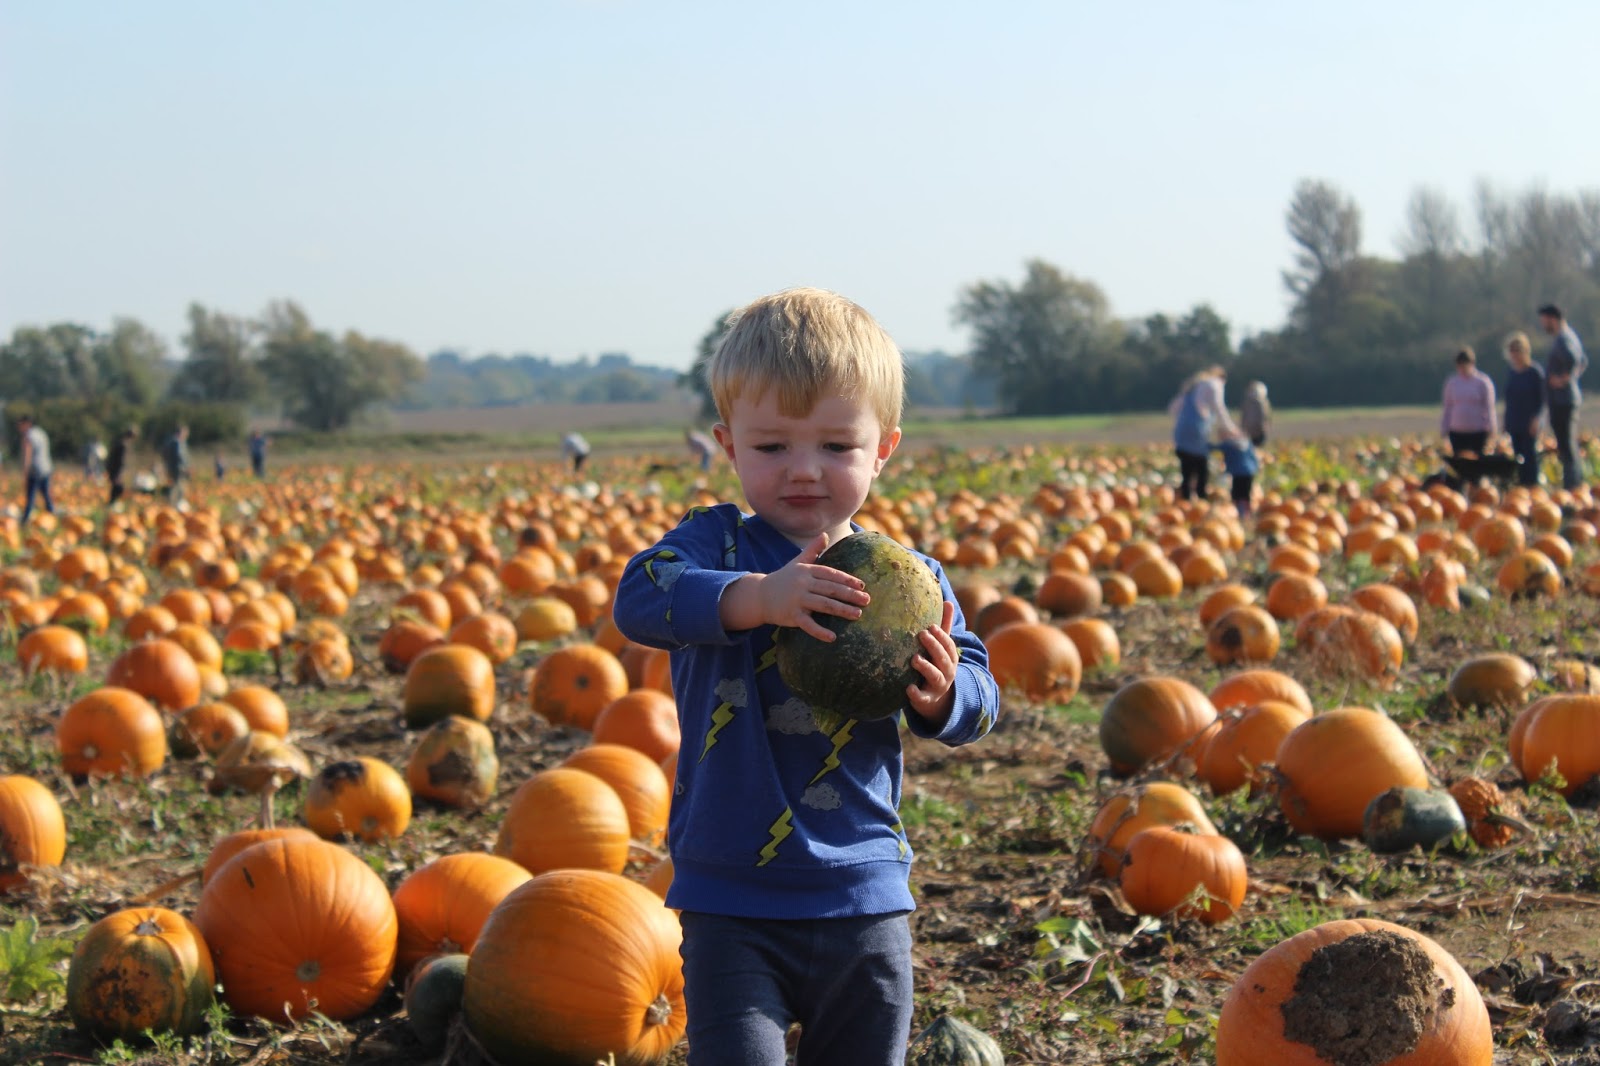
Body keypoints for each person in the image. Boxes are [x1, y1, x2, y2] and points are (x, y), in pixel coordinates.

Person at [612, 287, 999, 1066]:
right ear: (727, 444)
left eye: (834, 446)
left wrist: (946, 693)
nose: (803, 473)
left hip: (864, 894)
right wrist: (758, 599)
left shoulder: (907, 577)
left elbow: (982, 684)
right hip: (730, 900)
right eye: (772, 448)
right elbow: (638, 598)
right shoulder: (714, 548)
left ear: (883, 448)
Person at [1168, 365, 1241, 501]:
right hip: (1197, 431)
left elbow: (1172, 409)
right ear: (1222, 378)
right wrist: (1231, 429)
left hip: (1181, 432)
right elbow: (1219, 408)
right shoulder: (1215, 384)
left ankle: (1186, 499)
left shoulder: (1190, 389)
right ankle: (1201, 497)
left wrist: (1185, 419)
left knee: (1187, 468)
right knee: (1201, 466)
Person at [1539, 304, 1588, 489]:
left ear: (1552, 319)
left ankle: (1572, 486)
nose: (1543, 326)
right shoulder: (1571, 336)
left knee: (1566, 446)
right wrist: (1571, 377)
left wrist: (1563, 380)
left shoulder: (1563, 339)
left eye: (1544, 321)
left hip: (1562, 400)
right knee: (1567, 444)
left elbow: (1574, 360)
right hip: (1566, 398)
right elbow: (1583, 361)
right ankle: (1574, 484)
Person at [1502, 332, 1546, 487]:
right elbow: (1509, 399)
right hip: (1515, 420)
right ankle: (1521, 485)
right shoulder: (1512, 373)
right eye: (1512, 351)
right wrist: (1505, 421)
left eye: (1518, 350)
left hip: (1530, 422)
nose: (1515, 354)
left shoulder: (1534, 372)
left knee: (1530, 455)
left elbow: (1542, 399)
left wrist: (1537, 419)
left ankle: (1533, 486)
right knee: (1518, 457)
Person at [1440, 347, 1498, 458]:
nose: (1462, 369)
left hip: (1477, 432)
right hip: (1457, 432)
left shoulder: (1482, 382)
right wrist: (1444, 429)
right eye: (1459, 366)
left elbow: (1489, 407)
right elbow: (1447, 407)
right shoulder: (1452, 383)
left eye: (1464, 365)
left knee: (1477, 463)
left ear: (1472, 363)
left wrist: (1492, 429)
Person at [17, 414, 54, 525]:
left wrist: (25, 471)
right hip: (46, 466)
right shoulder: (41, 433)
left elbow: (27, 454)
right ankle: (52, 515)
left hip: (35, 469)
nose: (19, 427)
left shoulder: (29, 435)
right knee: (46, 493)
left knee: (31, 495)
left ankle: (25, 520)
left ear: (27, 424)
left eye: (21, 424)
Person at [1216, 436, 1260, 518]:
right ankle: (1243, 512)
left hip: (1239, 473)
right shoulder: (1247, 444)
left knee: (1238, 493)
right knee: (1244, 493)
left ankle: (1241, 512)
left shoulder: (1229, 446)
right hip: (1247, 472)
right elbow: (1253, 458)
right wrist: (1255, 467)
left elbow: (1226, 458)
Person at [106, 426, 136, 508]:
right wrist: (118, 473)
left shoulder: (120, 443)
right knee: (118, 488)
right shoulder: (123, 445)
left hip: (115, 470)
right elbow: (120, 461)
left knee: (117, 488)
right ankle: (112, 504)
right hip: (116, 470)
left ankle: (112, 504)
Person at [162, 424, 191, 509]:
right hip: (179, 469)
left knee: (175, 486)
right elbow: (180, 457)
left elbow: (165, 455)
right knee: (178, 487)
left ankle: (173, 505)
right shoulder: (177, 443)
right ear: (181, 432)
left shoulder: (171, 442)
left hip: (173, 468)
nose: (186, 435)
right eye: (185, 433)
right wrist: (186, 468)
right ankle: (174, 506)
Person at [1239, 380, 1271, 446]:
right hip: (1249, 431)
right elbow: (1243, 417)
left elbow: (1265, 417)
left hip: (1258, 431)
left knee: (1258, 447)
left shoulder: (1262, 403)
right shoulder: (1246, 403)